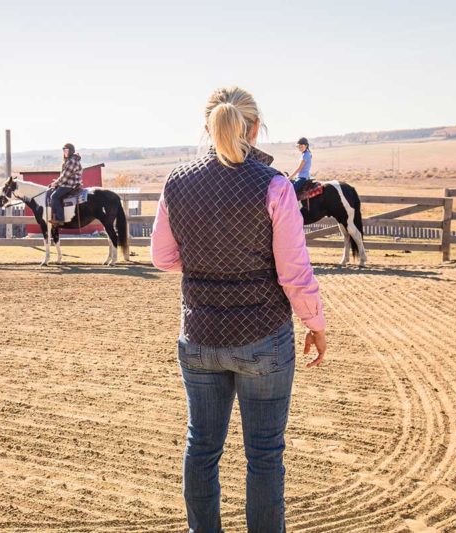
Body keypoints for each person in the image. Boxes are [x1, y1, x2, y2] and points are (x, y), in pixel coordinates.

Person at [151, 86, 327, 533]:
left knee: (202, 447)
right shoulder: (273, 185)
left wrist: (207, 258)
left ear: (207, 127)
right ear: (254, 127)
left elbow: (163, 258)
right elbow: (293, 271)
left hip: (199, 336)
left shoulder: (176, 181)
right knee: (264, 456)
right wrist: (315, 322)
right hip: (262, 338)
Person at [48, 143, 83, 224]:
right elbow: (64, 176)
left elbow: (65, 177)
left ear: (71, 151)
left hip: (69, 184)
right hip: (68, 183)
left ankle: (60, 218)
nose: (64, 152)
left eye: (66, 150)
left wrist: (55, 183)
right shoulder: (71, 160)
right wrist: (56, 182)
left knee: (54, 196)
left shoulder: (72, 161)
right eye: (64, 151)